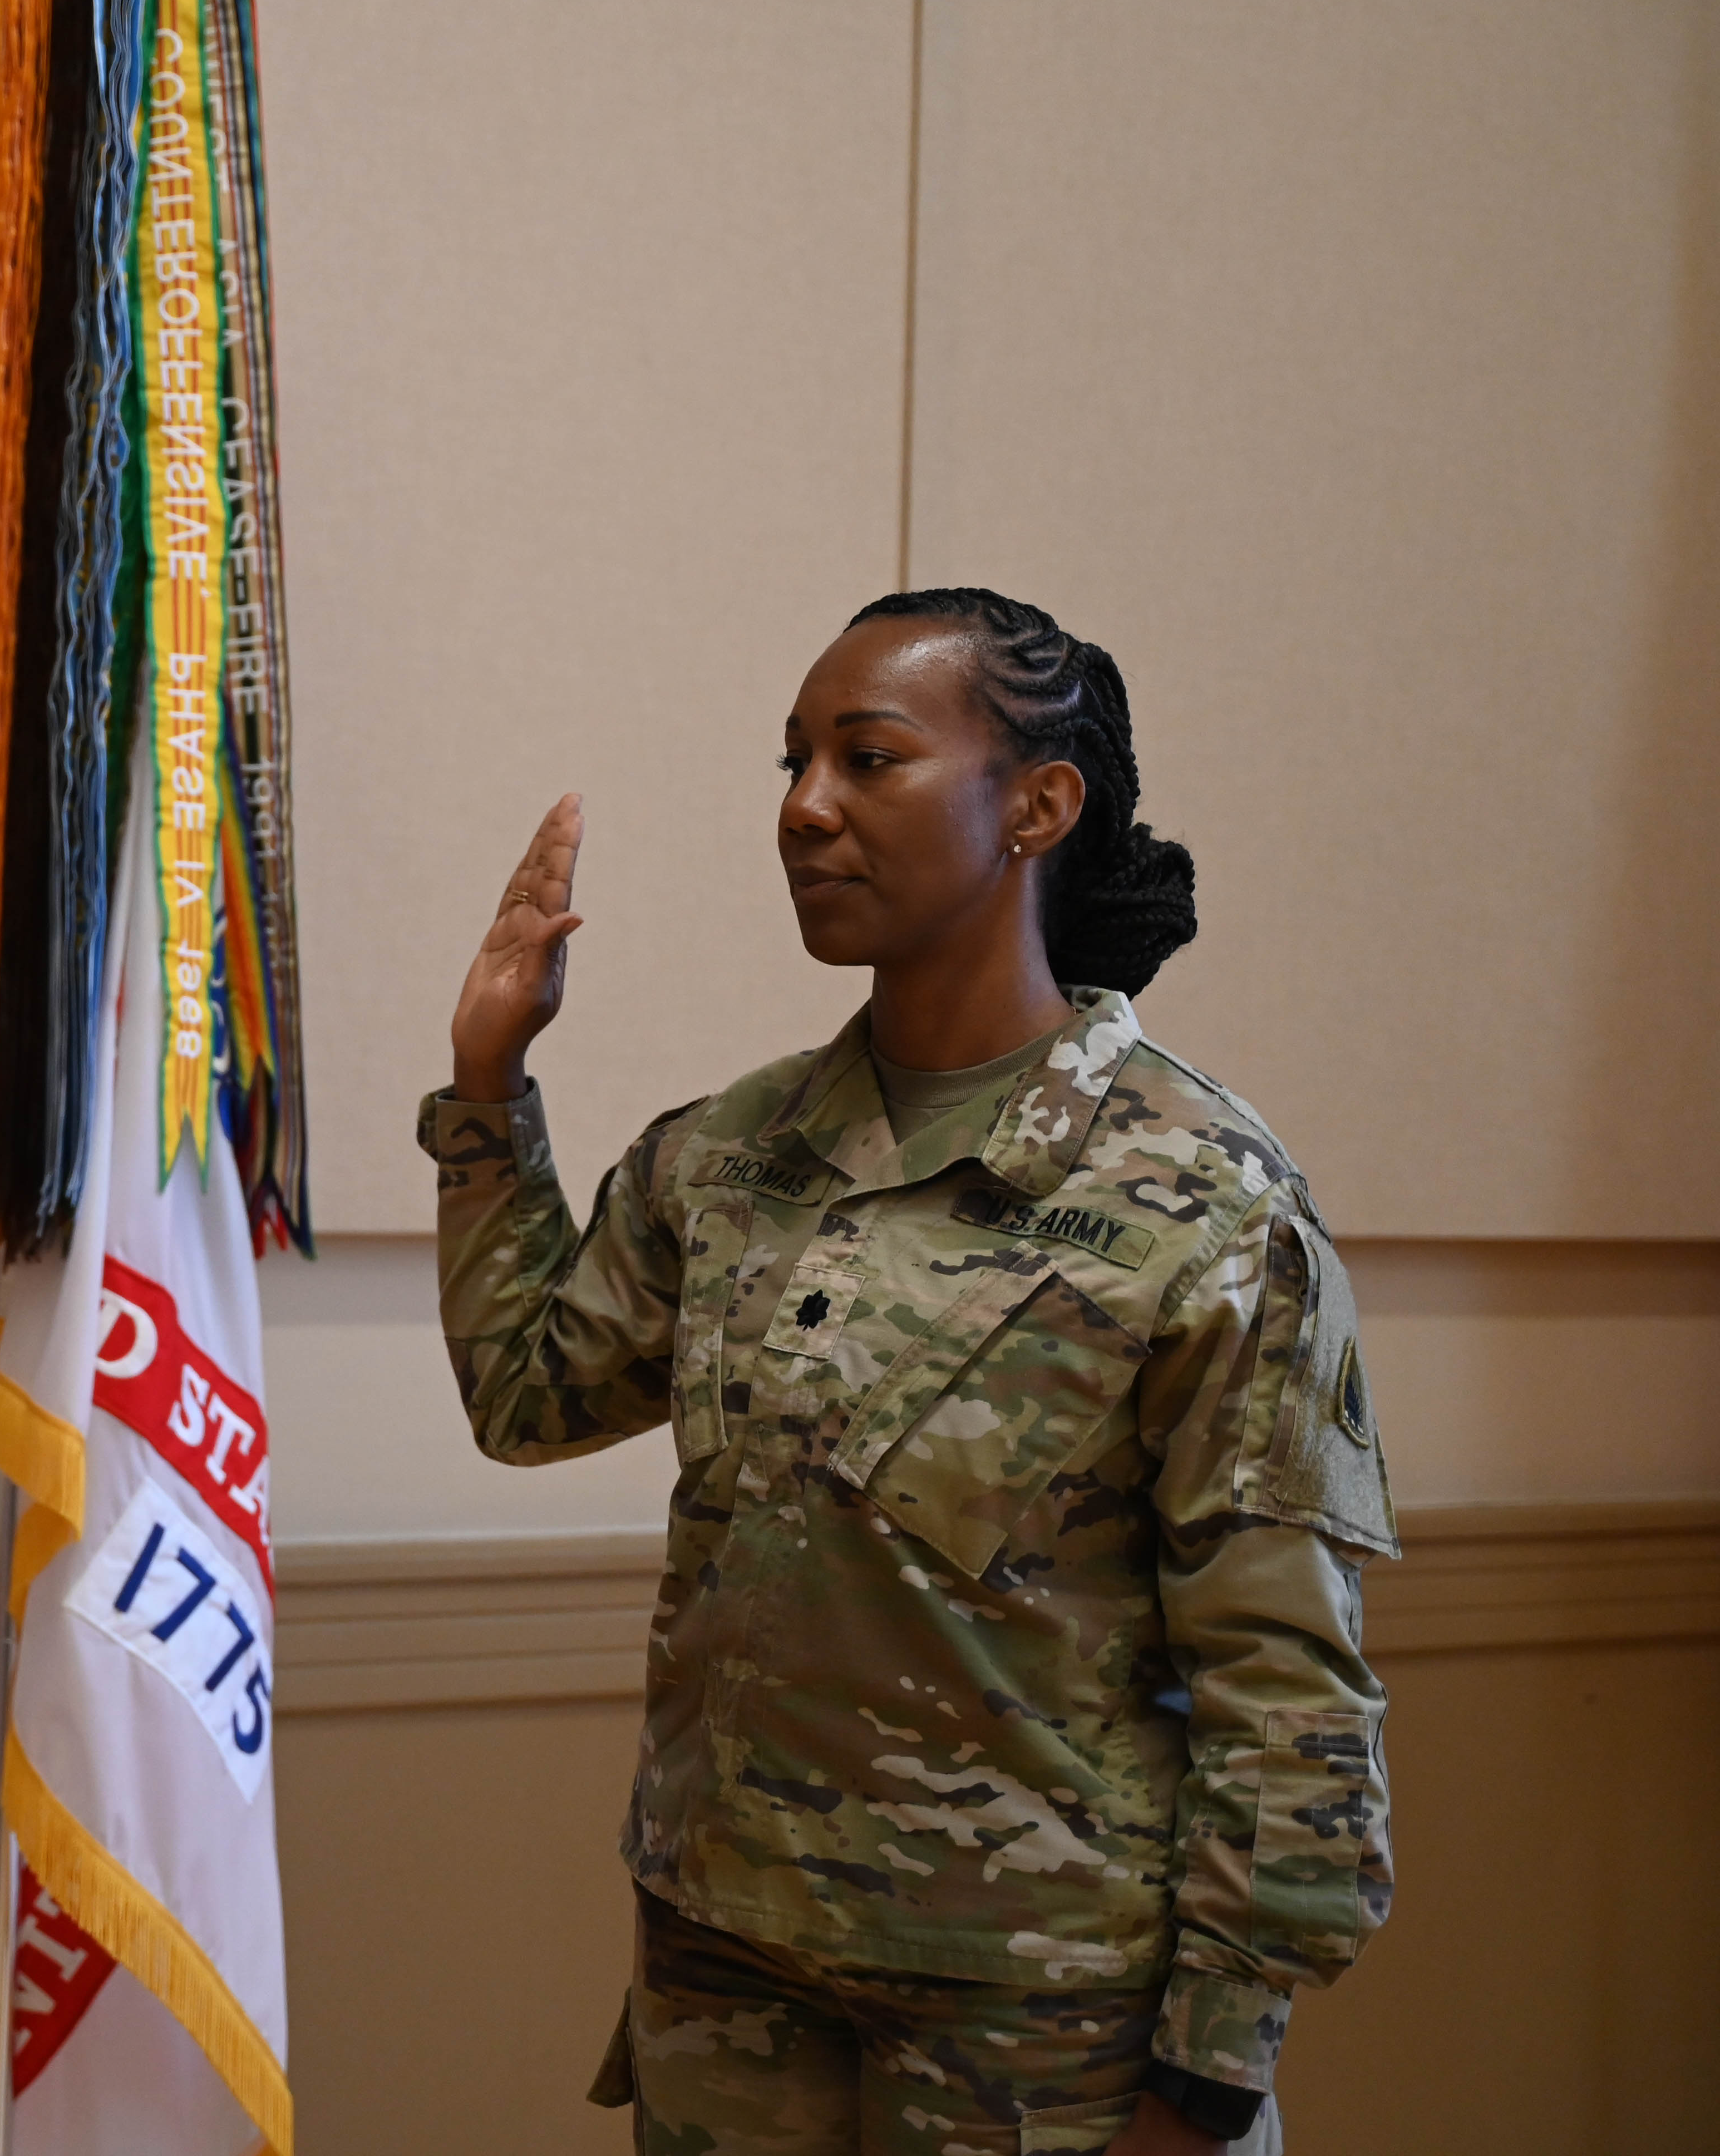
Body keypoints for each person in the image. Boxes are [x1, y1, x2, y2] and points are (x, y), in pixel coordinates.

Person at [419, 591, 1395, 2155]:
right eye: (795, 764)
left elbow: (1285, 1687)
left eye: (868, 759)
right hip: (726, 1972)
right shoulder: (736, 1153)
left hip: (1042, 2028)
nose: (806, 809)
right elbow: (528, 1397)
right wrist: (487, 1086)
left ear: (1039, 805)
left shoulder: (1201, 1197)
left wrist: (1209, 2079)